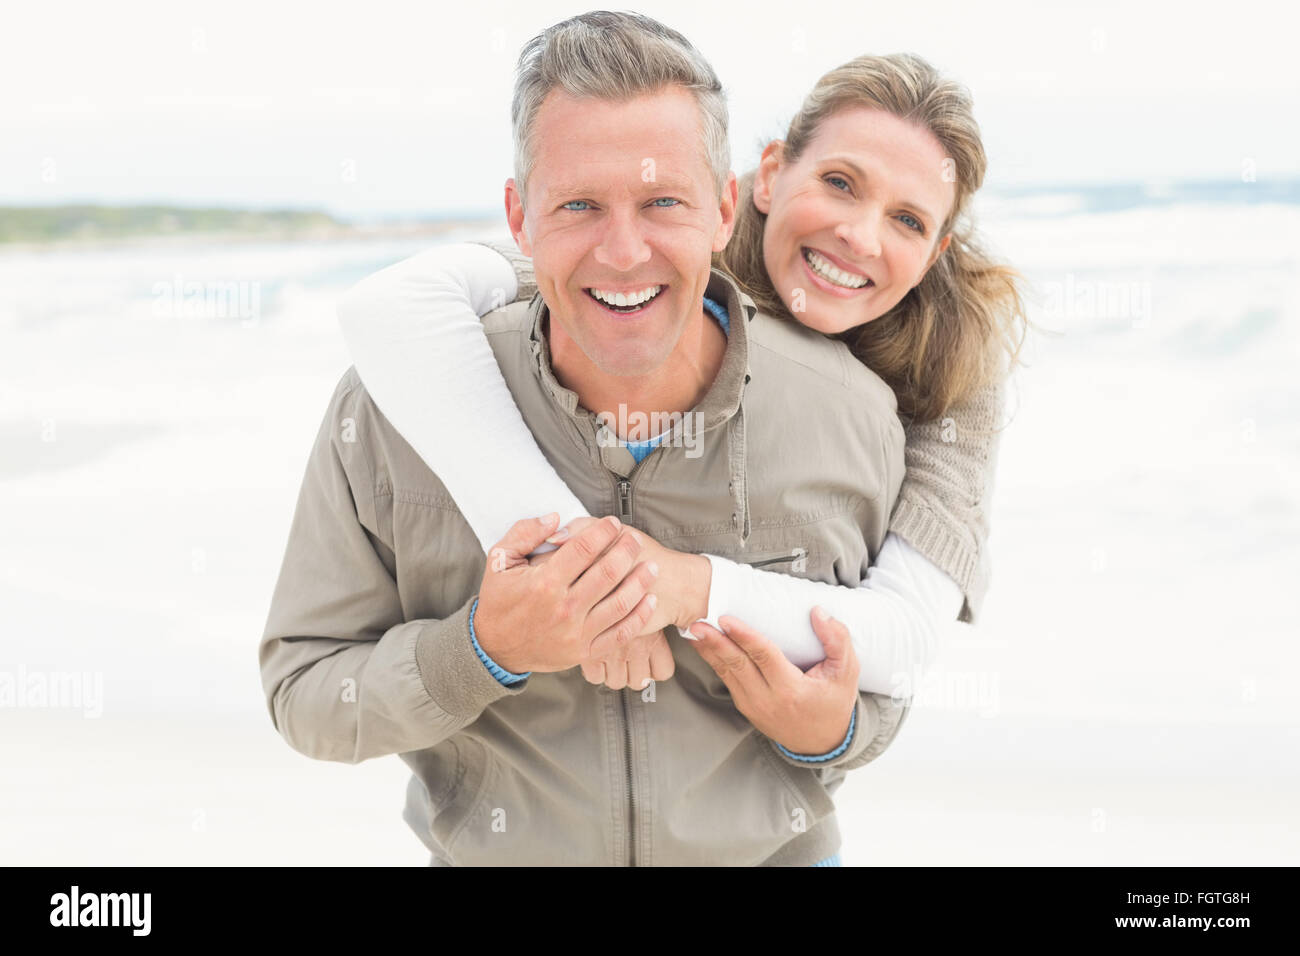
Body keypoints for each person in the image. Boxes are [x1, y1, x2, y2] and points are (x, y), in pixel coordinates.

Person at [260, 10, 944, 866]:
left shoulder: (848, 416)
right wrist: (481, 649)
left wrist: (830, 731)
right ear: (519, 216)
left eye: (663, 203)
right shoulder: (388, 411)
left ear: (726, 205)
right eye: (579, 205)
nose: (624, 253)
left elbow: (879, 678)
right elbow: (305, 694)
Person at [335, 49, 1026, 702]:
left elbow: (903, 638)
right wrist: (579, 564)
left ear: (937, 249)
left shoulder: (959, 369)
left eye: (907, 220)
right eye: (840, 184)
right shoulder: (676, 241)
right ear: (772, 173)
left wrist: (681, 585)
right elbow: (393, 306)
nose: (861, 235)